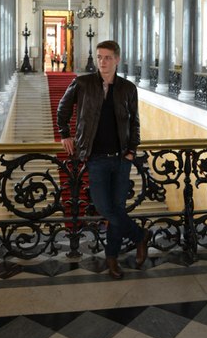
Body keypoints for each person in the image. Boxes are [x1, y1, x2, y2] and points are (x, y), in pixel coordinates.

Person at [57, 40, 151, 279]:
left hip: (121, 159)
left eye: (107, 57)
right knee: (103, 207)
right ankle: (140, 236)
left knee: (117, 209)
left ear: (117, 59)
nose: (102, 62)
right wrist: (65, 134)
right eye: (99, 57)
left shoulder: (128, 88)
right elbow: (63, 109)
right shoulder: (83, 83)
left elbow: (134, 123)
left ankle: (112, 259)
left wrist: (131, 151)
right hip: (96, 158)